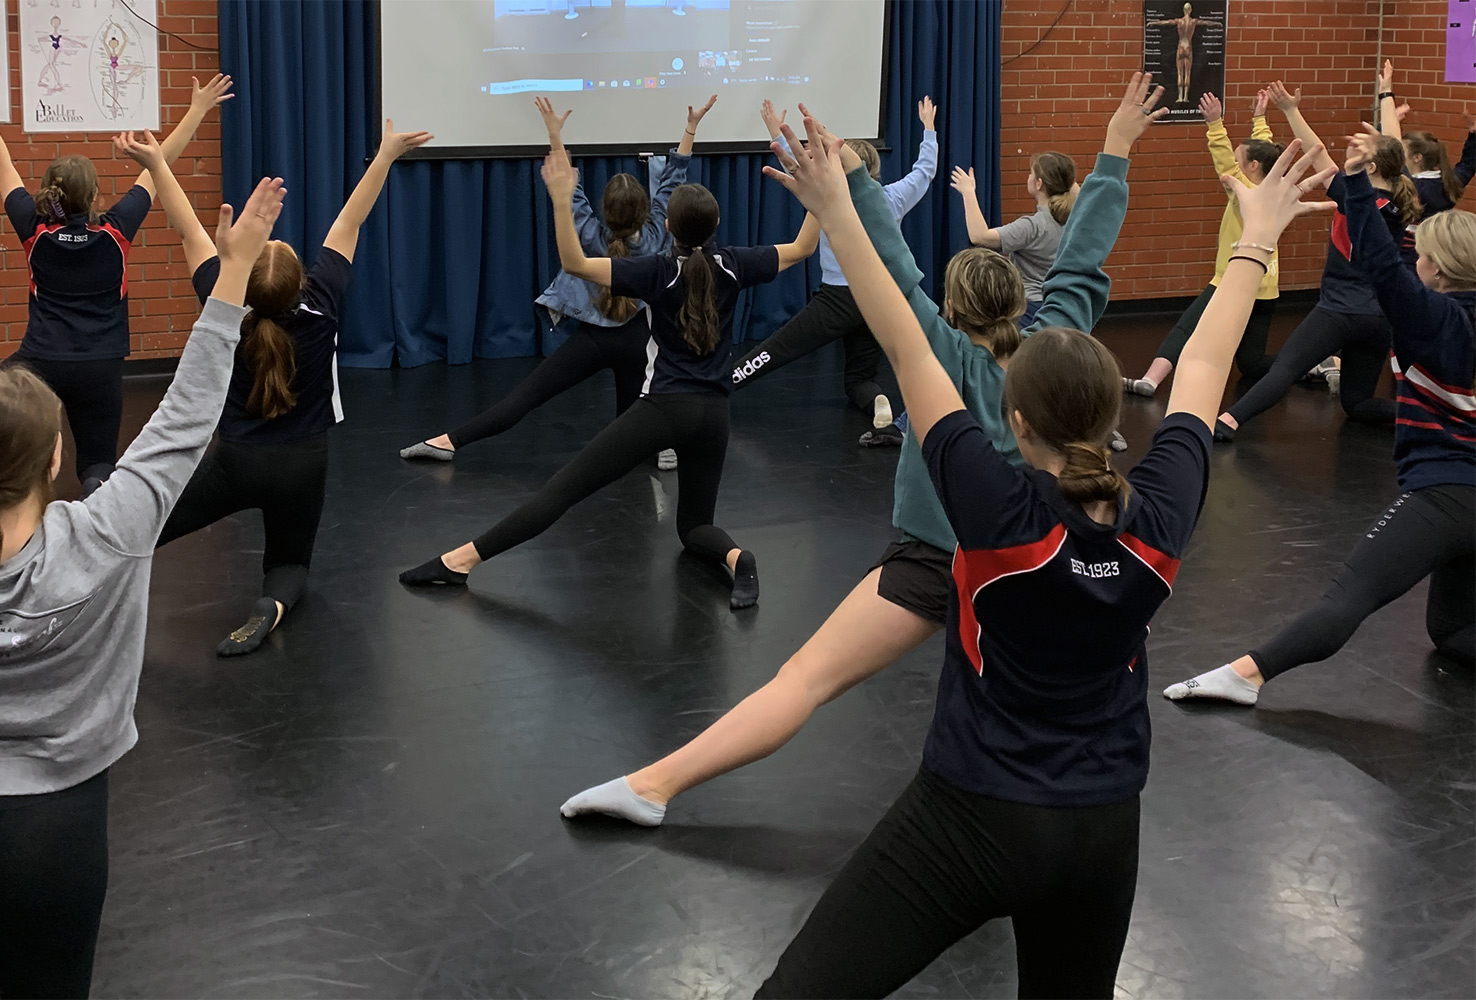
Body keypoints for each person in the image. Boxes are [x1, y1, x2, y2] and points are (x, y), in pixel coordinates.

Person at [745, 99, 1334, 1000]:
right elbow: (1203, 366)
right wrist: (1256, 239)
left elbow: (904, 332)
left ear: (1016, 423)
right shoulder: (1159, 513)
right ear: (1112, 413)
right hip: (1104, 831)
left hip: (972, 815)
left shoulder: (994, 510)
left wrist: (838, 205)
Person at [560, 79, 1147, 829]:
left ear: (953, 307)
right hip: (1033, 555)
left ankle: (654, 785)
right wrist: (1116, 151)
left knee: (804, 678)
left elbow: (895, 272)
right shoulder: (1049, 352)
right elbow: (1080, 264)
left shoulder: (941, 355)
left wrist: (851, 182)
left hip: (936, 561)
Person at [0, 171, 286, 1000]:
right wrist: (234, 270)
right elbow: (184, 418)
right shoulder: (108, 533)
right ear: (56, 458)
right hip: (57, 832)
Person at [398, 147, 821, 609]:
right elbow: (803, 248)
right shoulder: (735, 264)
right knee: (696, 527)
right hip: (715, 416)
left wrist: (562, 200)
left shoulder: (658, 272)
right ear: (715, 226)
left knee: (562, 490)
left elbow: (576, 264)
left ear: (669, 229)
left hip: (664, 410)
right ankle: (738, 558)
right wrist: (820, 197)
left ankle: (459, 562)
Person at [1166, 128, 1475, 707]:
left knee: (1349, 594)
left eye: (1421, 255)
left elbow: (1382, 265)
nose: (1414, 260)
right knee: (1451, 629)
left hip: (1445, 494)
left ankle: (1247, 676)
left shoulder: (1434, 320)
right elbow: (1392, 259)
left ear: (1436, 268)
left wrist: (1354, 182)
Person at [149, 120, 430, 657]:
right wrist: (386, 155)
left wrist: (158, 164)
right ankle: (270, 608)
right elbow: (350, 220)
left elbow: (189, 233)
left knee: (148, 528)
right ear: (302, 282)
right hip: (302, 463)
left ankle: (81, 581)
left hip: (234, 461)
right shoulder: (322, 304)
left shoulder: (224, 306)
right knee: (290, 564)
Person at [400, 97, 712, 473]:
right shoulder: (657, 233)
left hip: (595, 339)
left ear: (606, 210)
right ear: (648, 211)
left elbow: (568, 189)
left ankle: (449, 440)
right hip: (637, 341)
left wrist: (554, 134)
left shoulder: (588, 233)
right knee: (637, 415)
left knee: (527, 395)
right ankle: (662, 446)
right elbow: (674, 176)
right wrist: (691, 127)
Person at [0, 72, 234, 496]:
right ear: (95, 196)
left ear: (47, 193)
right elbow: (158, 168)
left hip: (41, 359)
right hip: (102, 364)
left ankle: (3, 488)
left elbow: (0, 161)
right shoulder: (116, 231)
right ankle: (97, 509)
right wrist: (197, 110)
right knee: (97, 463)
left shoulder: (33, 229)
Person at [1214, 77, 1416, 442]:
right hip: (1379, 318)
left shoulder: (1354, 198)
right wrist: (1386, 96)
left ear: (1370, 168)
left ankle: (1227, 421)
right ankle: (1434, 416)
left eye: (1361, 151)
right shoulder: (1400, 200)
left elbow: (1316, 153)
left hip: (1339, 311)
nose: (1350, 152)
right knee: (1357, 403)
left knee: (1285, 369)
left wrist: (1290, 111)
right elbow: (1392, 151)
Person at [729, 97, 939, 442]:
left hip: (839, 299)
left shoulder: (830, 198)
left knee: (778, 348)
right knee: (858, 379)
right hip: (879, 299)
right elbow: (924, 171)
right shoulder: (892, 197)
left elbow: (798, 166)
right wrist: (928, 129)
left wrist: (775, 132)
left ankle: (722, 383)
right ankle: (878, 400)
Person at [1124, 89, 1282, 398]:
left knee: (1187, 326)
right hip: (1266, 290)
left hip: (1233, 281)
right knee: (1252, 363)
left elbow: (1227, 167)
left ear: (1251, 167)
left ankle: (1150, 380)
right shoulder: (1274, 187)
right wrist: (1259, 119)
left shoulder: (1243, 194)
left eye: (1239, 159)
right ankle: (1315, 363)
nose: (1234, 162)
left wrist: (1215, 125)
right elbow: (1267, 155)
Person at [949, 150, 1075, 329]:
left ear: (1039, 184)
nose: (1028, 177)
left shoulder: (1032, 226)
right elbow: (1072, 186)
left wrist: (968, 192)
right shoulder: (1075, 218)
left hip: (1031, 309)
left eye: (1031, 173)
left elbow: (979, 235)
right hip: (1061, 306)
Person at [1146, 2, 1222, 105]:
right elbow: (1206, 23)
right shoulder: (1193, 21)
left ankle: (1179, 97)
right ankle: (1185, 97)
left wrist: (1153, 23)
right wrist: (1217, 24)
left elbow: (1166, 22)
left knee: (1180, 73)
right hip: (1188, 47)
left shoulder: (1179, 21)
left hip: (1181, 46)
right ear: (1190, 10)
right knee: (1187, 73)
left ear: (1183, 10)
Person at [1402, 117, 1474, 218]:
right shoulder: (1449, 181)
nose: (1398, 154)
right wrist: (1474, 137)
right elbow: (1467, 165)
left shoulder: (1414, 186)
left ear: (1417, 157)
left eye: (1401, 151)